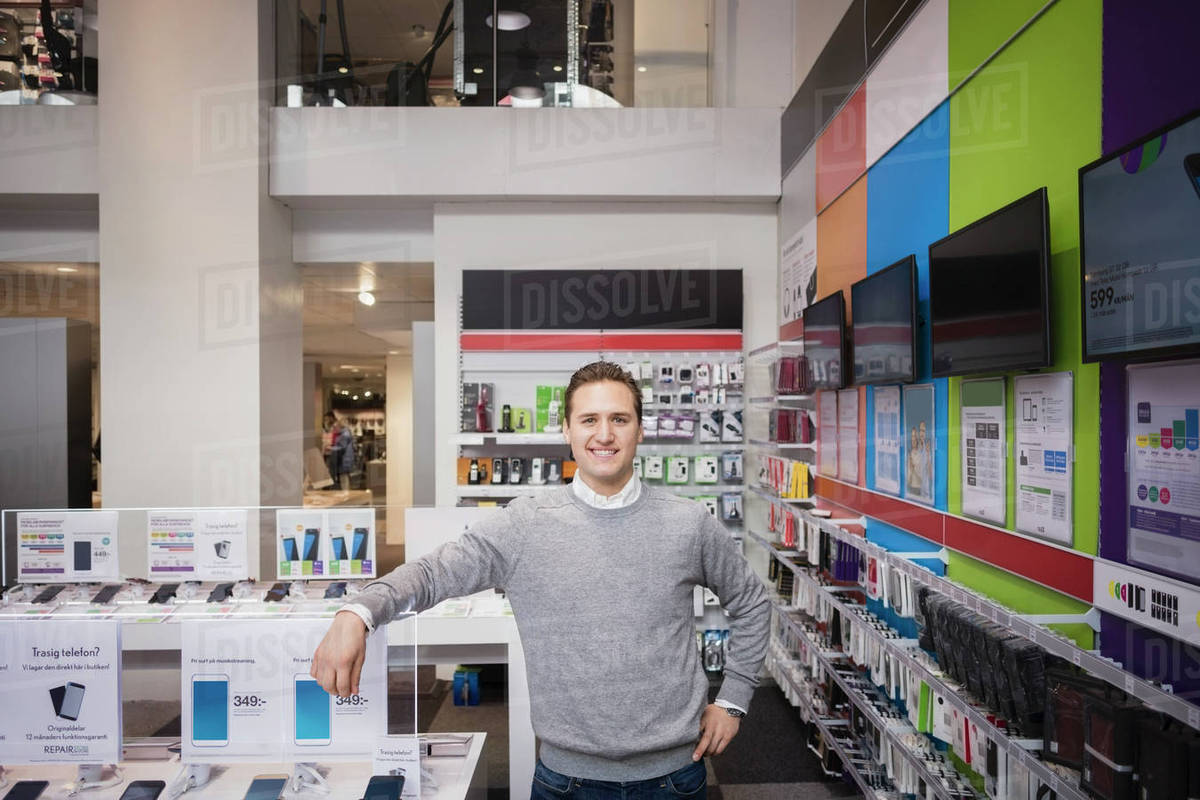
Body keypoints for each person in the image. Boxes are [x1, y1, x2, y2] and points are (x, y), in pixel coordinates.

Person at [311, 361, 771, 799]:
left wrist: (733, 700)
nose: (605, 434)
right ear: (567, 431)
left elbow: (752, 602)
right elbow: (434, 573)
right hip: (567, 779)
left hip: (674, 776)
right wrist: (359, 611)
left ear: (640, 430)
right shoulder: (525, 524)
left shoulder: (688, 523)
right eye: (589, 419)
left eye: (620, 419)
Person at [324, 411, 354, 490]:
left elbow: (341, 447)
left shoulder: (344, 435)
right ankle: (346, 494)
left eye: (335, 427)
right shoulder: (344, 433)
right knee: (344, 478)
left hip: (344, 460)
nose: (334, 429)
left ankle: (346, 495)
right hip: (345, 459)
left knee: (344, 478)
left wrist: (331, 448)